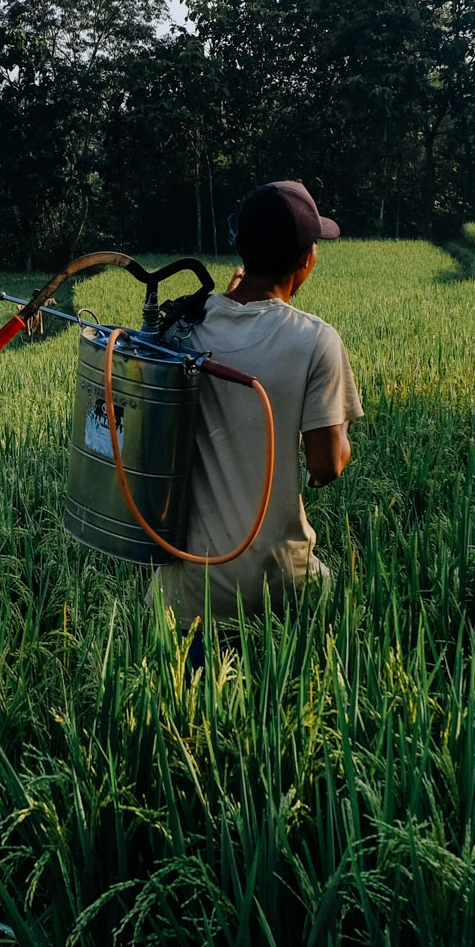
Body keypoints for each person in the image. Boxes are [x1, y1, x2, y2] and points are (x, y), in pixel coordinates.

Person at [154, 180, 362, 646]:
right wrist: (341, 423)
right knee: (346, 604)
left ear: (240, 250)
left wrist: (224, 303)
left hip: (184, 594)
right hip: (276, 592)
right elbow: (327, 467)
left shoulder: (182, 324)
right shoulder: (315, 341)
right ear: (307, 258)